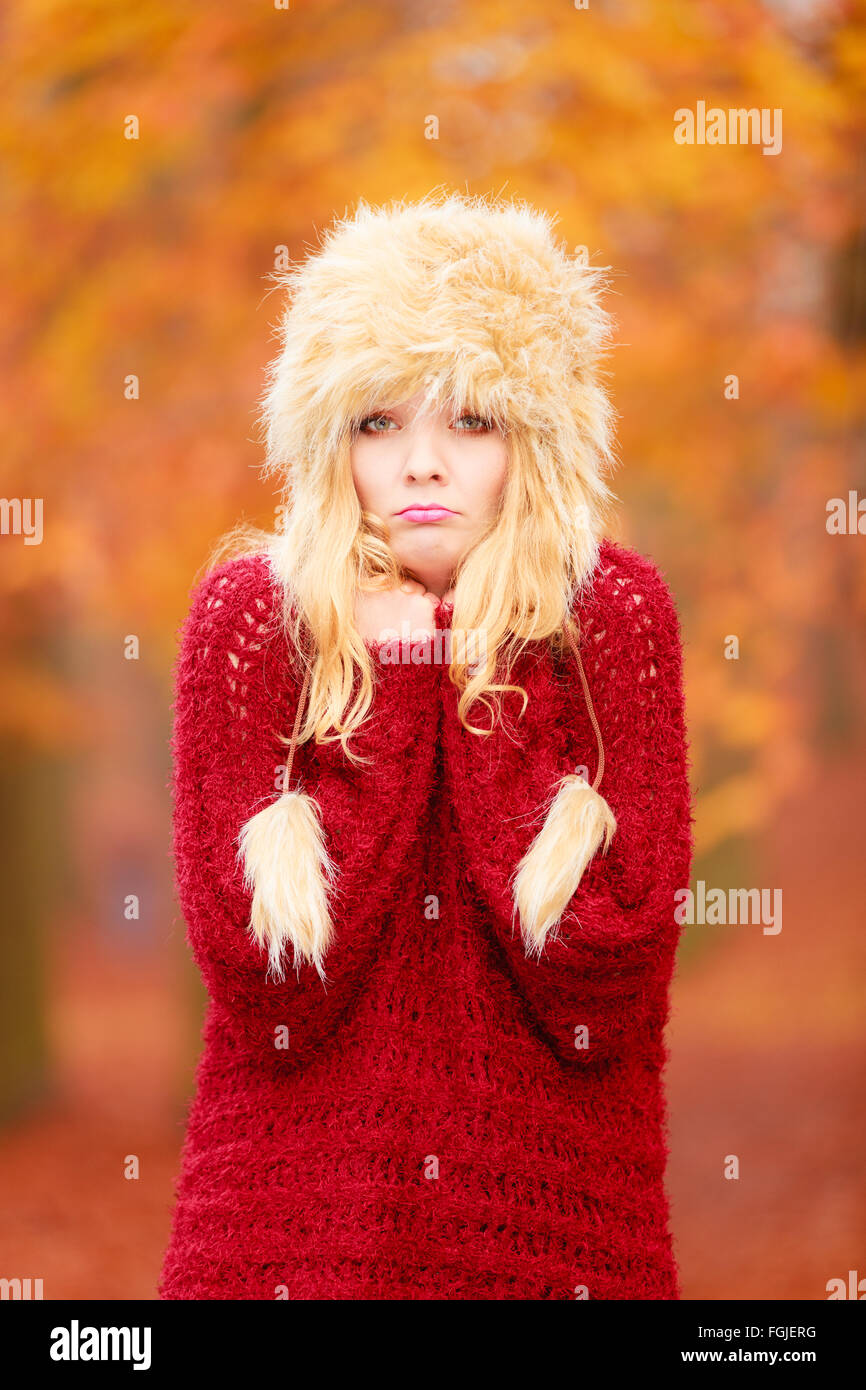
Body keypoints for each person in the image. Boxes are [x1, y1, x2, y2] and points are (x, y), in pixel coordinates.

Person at [157, 189, 693, 1300]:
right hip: (288, 1236)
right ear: (327, 441)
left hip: (552, 1234)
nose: (421, 464)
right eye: (377, 421)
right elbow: (268, 986)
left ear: (533, 442)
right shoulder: (250, 622)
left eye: (470, 420)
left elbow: (605, 968)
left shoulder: (615, 621)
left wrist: (461, 676)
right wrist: (392, 686)